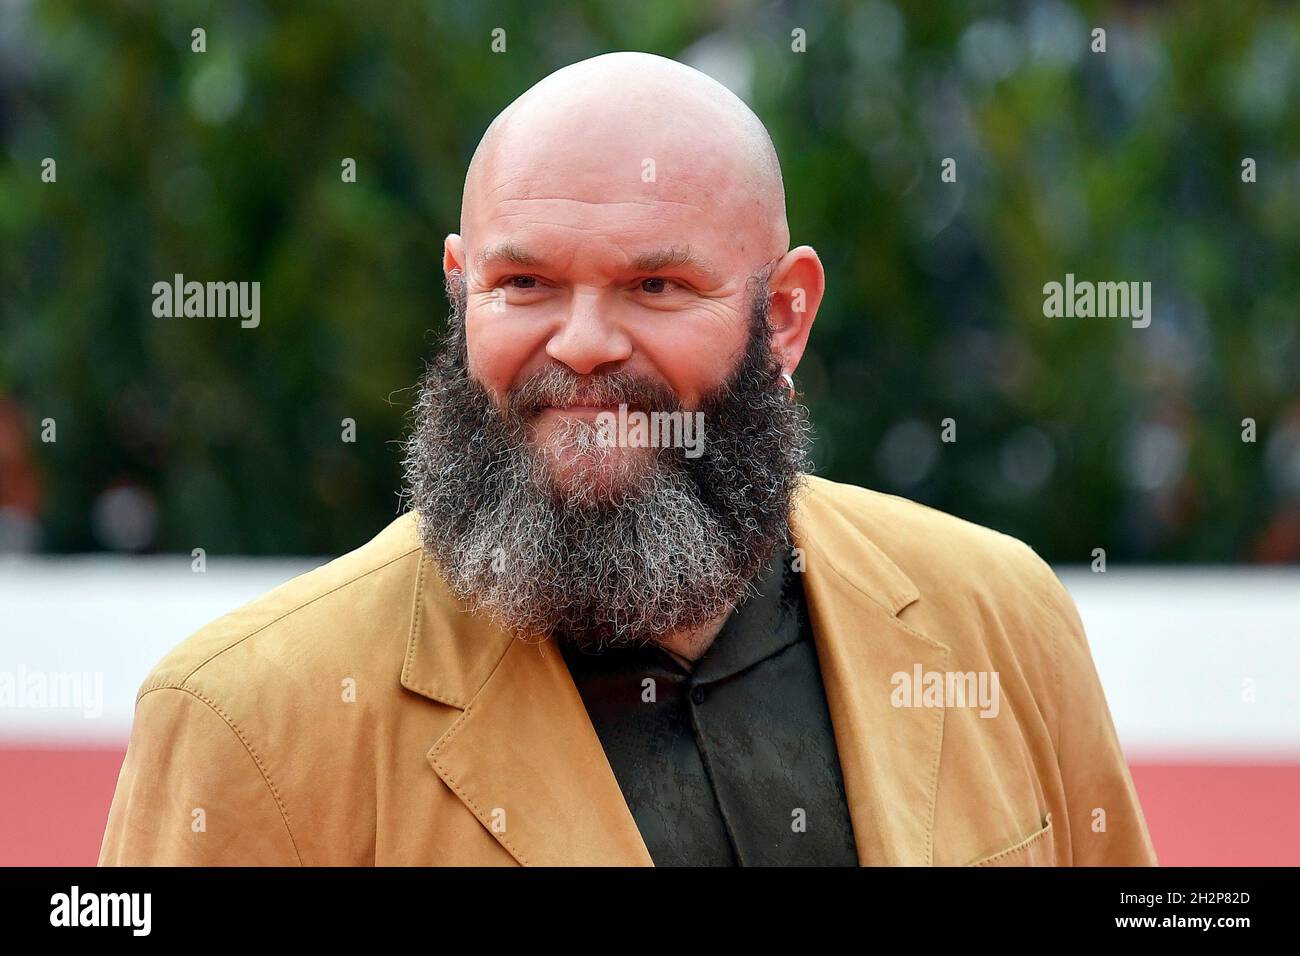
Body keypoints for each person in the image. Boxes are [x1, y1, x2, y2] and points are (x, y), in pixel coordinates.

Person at [99, 51, 1157, 867]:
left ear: (784, 315)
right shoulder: (250, 715)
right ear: (462, 290)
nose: (582, 343)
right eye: (524, 284)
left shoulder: (997, 616)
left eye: (656, 287)